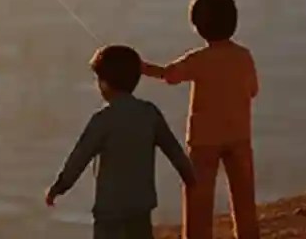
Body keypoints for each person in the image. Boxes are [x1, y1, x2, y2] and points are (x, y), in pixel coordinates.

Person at [46, 45, 196, 239]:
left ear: (104, 84)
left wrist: (59, 188)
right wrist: (190, 177)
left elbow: (79, 158)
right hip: (141, 205)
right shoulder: (149, 113)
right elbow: (174, 151)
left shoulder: (103, 120)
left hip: (110, 209)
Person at [142, 0, 260, 239]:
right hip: (239, 135)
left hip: (204, 139)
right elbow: (252, 90)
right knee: (244, 197)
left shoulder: (199, 59)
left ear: (198, 26)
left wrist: (141, 67)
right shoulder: (243, 56)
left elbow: (169, 75)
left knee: (198, 200)